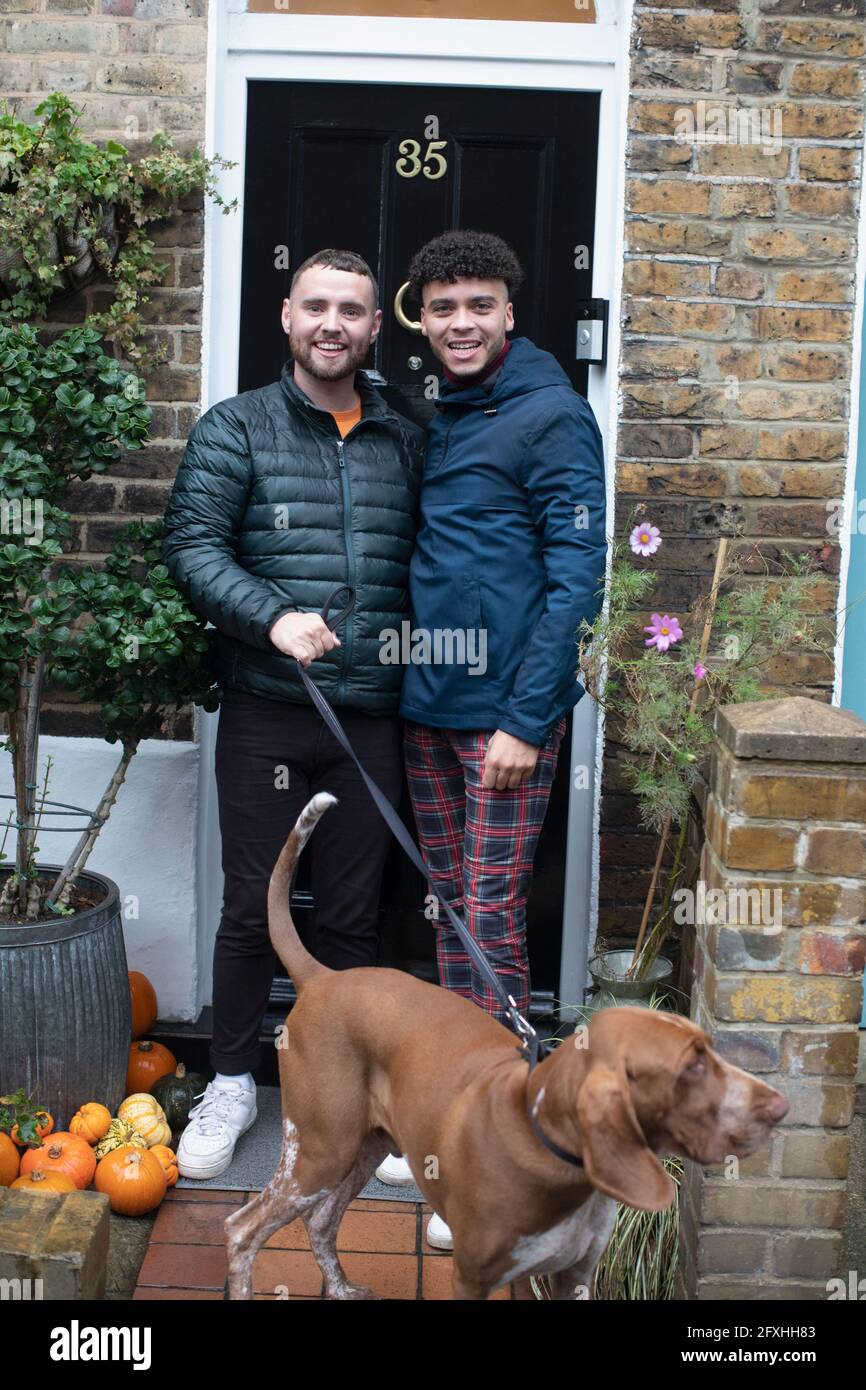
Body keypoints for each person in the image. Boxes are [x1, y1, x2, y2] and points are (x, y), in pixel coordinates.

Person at [162, 249, 423, 1179]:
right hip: (271, 710)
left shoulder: (407, 432)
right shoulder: (237, 428)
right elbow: (191, 546)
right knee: (251, 907)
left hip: (375, 718)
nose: (332, 324)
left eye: (351, 310)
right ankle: (232, 1080)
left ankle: (348, 1094)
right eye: (317, 306)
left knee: (356, 917)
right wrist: (272, 616)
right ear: (285, 315)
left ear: (372, 327)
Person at [374, 230, 608, 1250]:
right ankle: (446, 1118)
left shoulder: (552, 416)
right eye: (440, 307)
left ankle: (501, 1140)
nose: (458, 322)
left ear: (510, 311)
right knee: (448, 913)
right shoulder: (447, 411)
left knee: (490, 917)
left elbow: (576, 577)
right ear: (417, 319)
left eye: (477, 304)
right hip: (429, 704)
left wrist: (528, 715)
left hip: (501, 718)